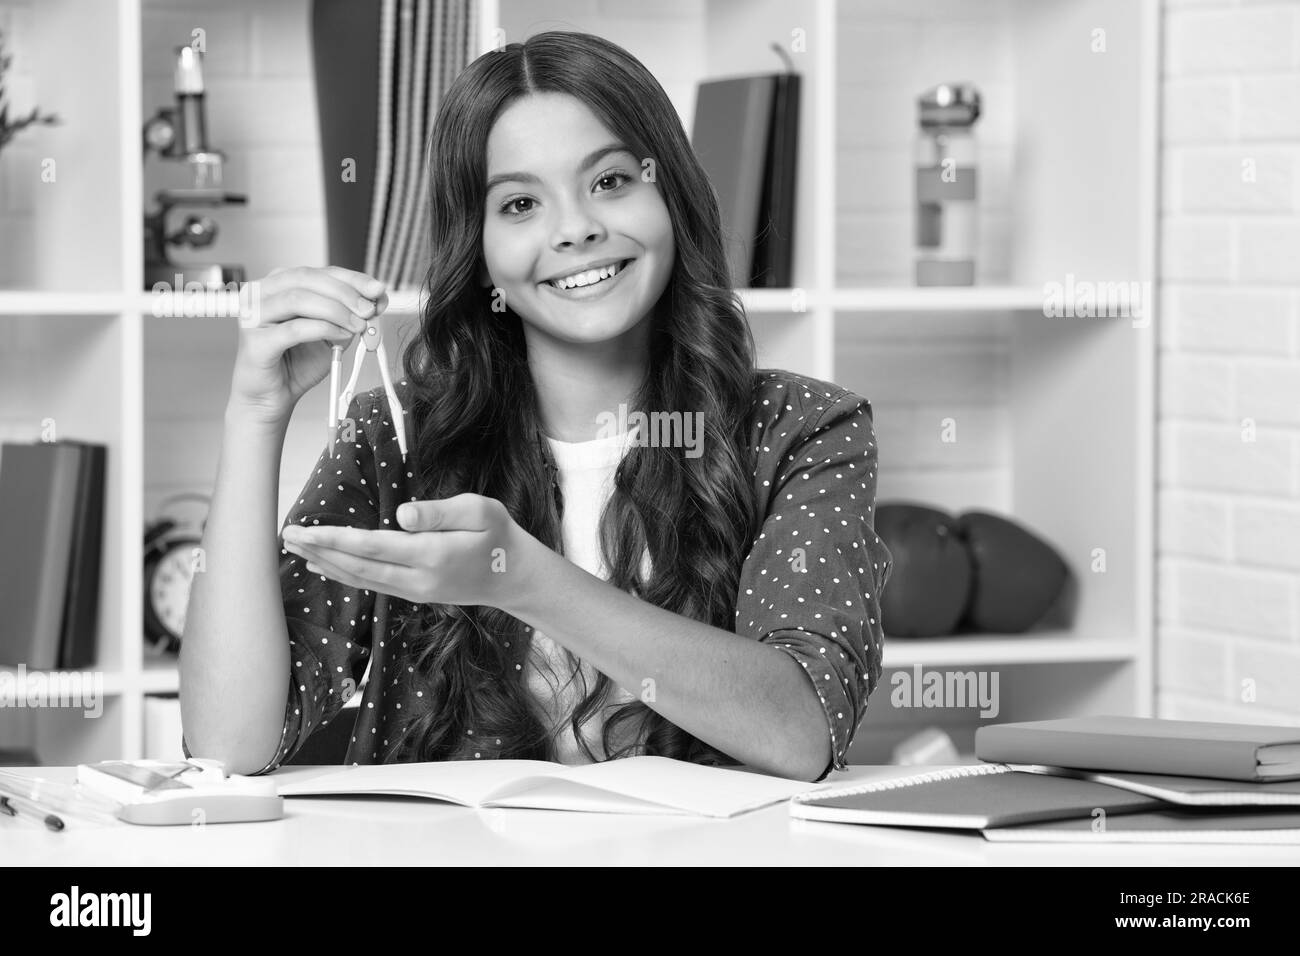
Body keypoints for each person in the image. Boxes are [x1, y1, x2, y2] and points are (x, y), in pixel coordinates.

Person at [181, 31, 892, 783]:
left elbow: (801, 730)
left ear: (672, 194)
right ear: (478, 246)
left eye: (612, 181)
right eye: (520, 203)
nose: (575, 228)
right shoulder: (398, 437)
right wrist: (253, 415)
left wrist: (524, 578)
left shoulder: (804, 431)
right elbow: (229, 744)